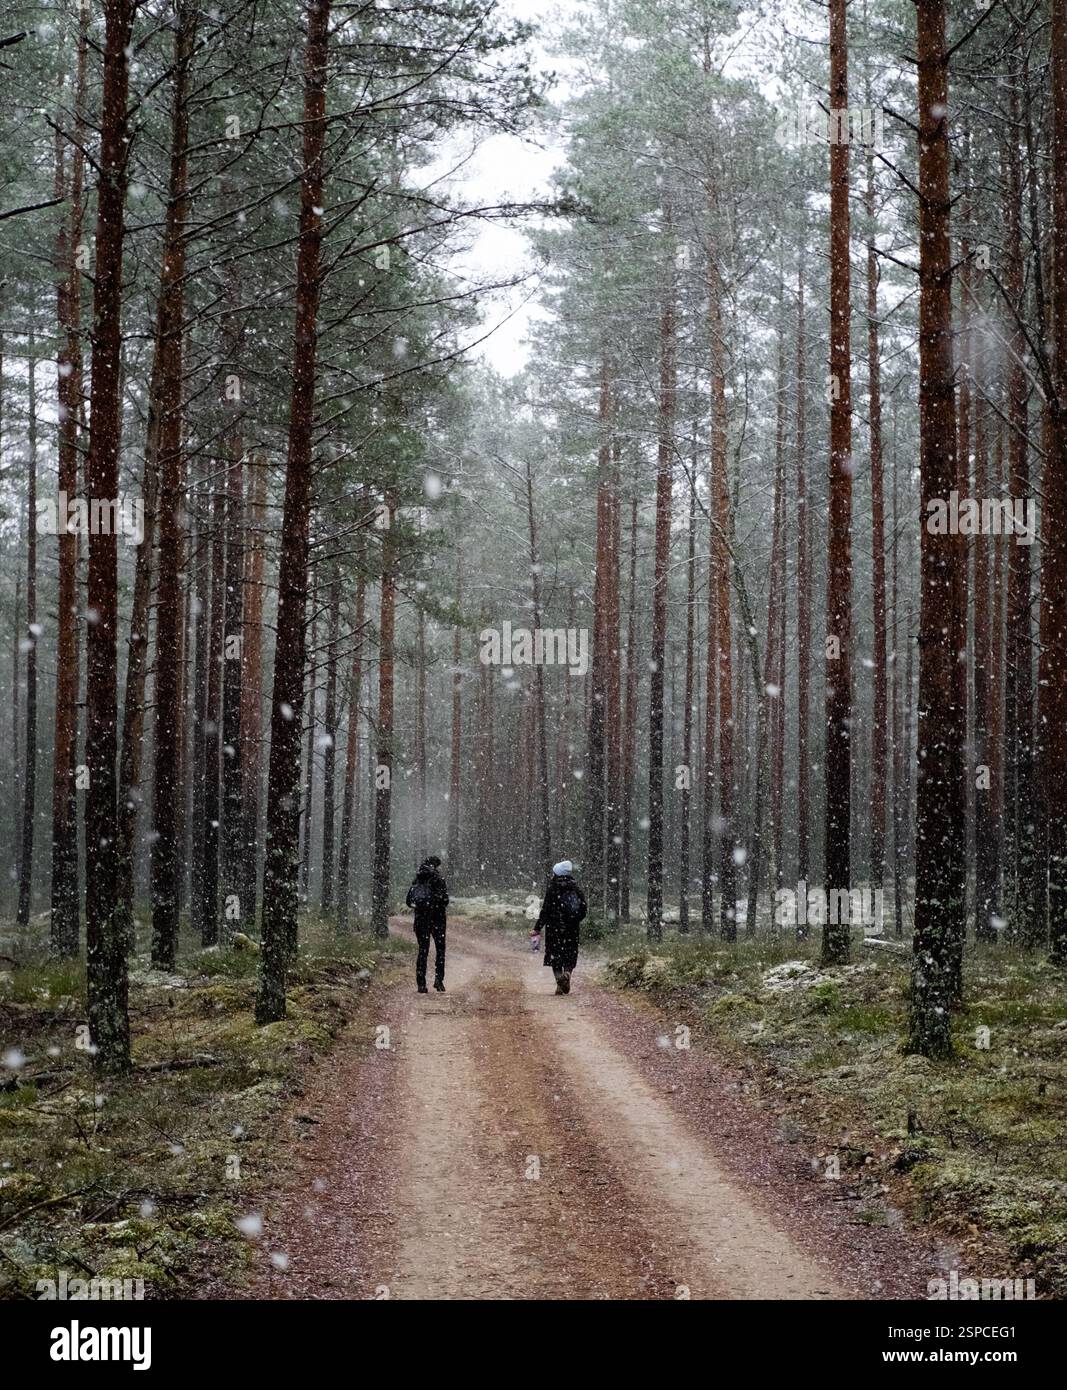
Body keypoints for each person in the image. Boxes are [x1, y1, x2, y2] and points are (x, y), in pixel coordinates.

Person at [536, 860, 587, 994]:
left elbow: (545, 911)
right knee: (570, 954)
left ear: (557, 874)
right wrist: (574, 920)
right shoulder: (576, 888)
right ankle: (568, 974)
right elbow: (583, 908)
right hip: (572, 929)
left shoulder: (553, 889)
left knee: (555, 956)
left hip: (554, 928)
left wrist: (537, 928)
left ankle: (559, 980)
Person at [406, 855, 449, 993]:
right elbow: (445, 900)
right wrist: (437, 904)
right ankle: (439, 980)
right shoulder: (438, 879)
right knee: (440, 950)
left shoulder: (418, 879)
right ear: (436, 865)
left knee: (423, 950)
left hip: (421, 919)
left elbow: (409, 901)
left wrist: (421, 908)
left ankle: (421, 983)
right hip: (438, 919)